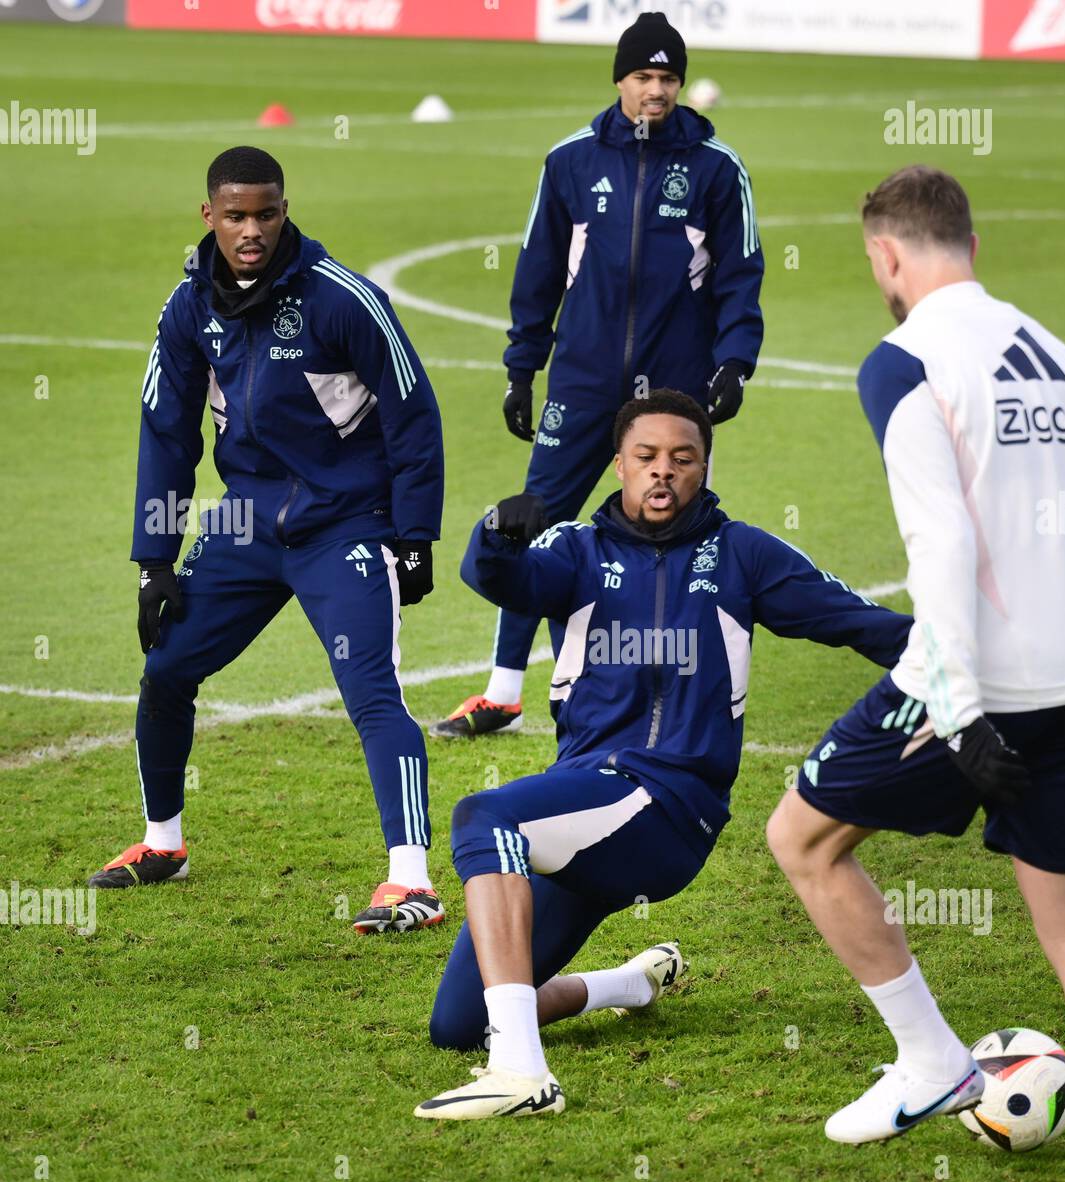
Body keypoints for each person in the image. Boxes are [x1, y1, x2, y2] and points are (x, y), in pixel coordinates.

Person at [765, 166, 1065, 1182]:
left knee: (802, 839)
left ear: (884, 257)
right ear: (968, 239)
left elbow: (940, 545)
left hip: (964, 688)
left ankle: (927, 1057)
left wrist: (953, 712)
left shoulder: (901, 361)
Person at [415, 389, 911, 1119]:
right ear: (618, 464)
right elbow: (498, 580)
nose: (663, 473)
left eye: (683, 459)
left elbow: (860, 624)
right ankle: (630, 984)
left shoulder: (742, 553)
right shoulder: (575, 551)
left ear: (705, 468)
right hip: (585, 807)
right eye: (646, 457)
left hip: (670, 807)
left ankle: (522, 1074)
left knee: (485, 817)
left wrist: (975, 662)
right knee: (456, 1025)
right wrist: (496, 533)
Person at [89, 146, 448, 935]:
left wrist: (415, 537)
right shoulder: (187, 307)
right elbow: (166, 433)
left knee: (371, 691)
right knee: (167, 667)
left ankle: (412, 881)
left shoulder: (342, 299)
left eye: (267, 213)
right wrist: (154, 559)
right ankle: (163, 844)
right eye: (236, 215)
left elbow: (413, 415)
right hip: (246, 525)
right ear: (209, 214)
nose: (252, 230)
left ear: (285, 211)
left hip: (345, 526)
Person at [430, 10, 764, 740]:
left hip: (675, 385)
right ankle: (502, 690)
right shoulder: (571, 162)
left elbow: (742, 276)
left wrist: (735, 362)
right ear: (619, 79)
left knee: (673, 528)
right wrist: (523, 367)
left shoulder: (715, 167)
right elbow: (538, 270)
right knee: (534, 521)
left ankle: (675, 681)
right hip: (581, 381)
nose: (657, 90)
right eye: (644, 76)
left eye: (668, 77)